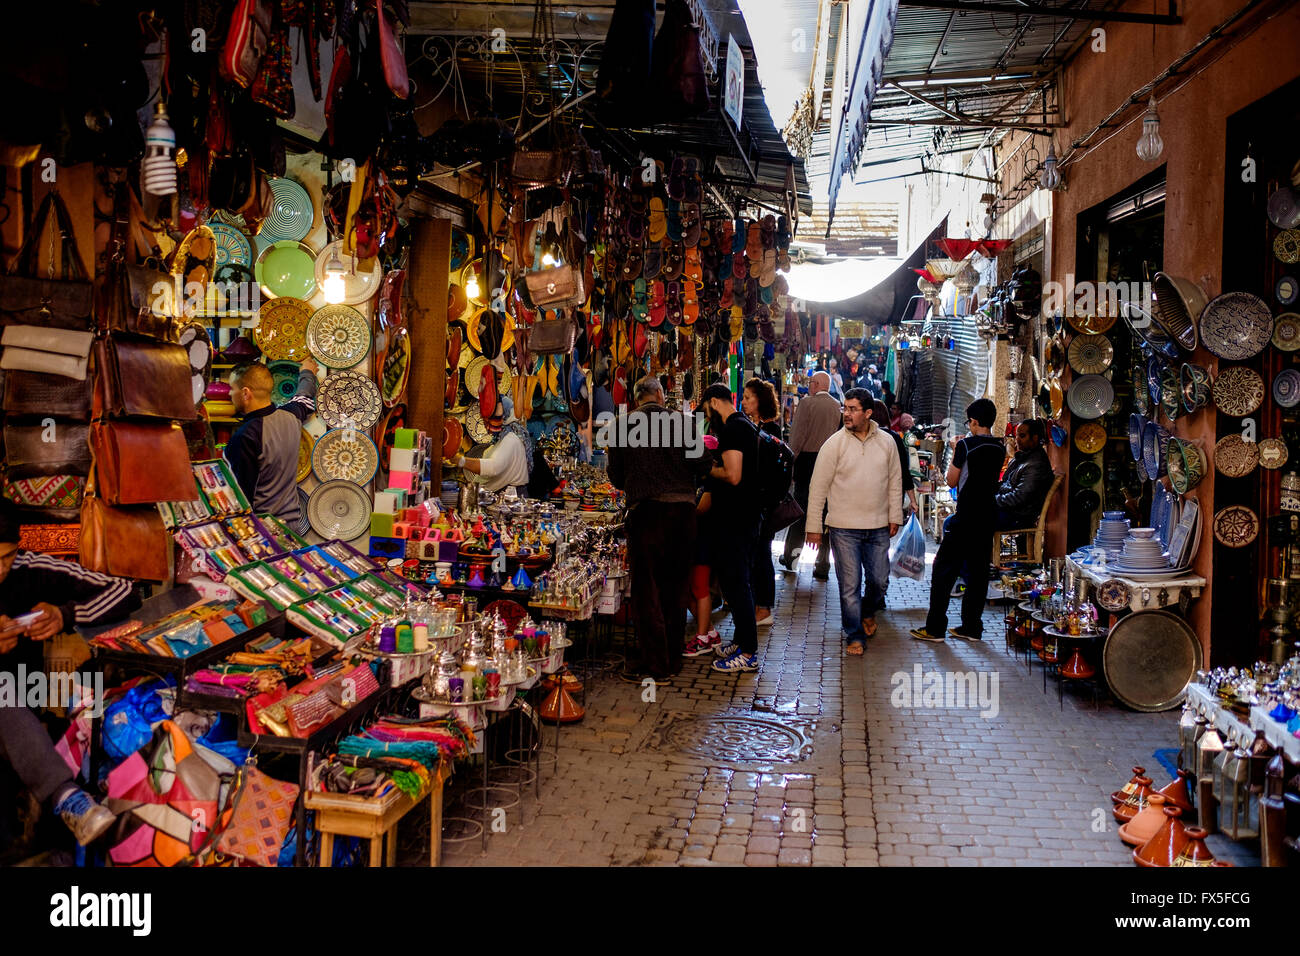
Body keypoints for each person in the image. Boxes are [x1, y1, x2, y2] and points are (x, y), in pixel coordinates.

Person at [0, 499, 137, 850]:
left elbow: (123, 590)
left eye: (6, 557)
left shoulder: (31, 568)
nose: (0, 569)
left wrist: (66, 614)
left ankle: (73, 805)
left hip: (21, 705)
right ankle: (67, 798)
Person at [607, 376, 708, 680]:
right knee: (675, 588)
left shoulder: (622, 426)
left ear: (638, 399)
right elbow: (703, 466)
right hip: (682, 514)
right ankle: (672, 659)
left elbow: (615, 476)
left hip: (646, 514)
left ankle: (655, 665)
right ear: (661, 396)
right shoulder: (684, 423)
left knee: (646, 591)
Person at [804, 389, 902, 655]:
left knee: (880, 581)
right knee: (849, 587)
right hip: (843, 528)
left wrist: (895, 516)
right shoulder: (834, 444)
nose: (846, 414)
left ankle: (867, 612)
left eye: (852, 409)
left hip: (879, 526)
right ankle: (855, 634)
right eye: (844, 408)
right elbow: (818, 488)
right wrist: (813, 528)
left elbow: (895, 481)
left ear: (868, 413)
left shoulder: (887, 442)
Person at [911, 398, 1004, 643]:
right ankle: (972, 627)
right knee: (978, 572)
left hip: (967, 515)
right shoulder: (999, 446)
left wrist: (954, 447)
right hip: (988, 515)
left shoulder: (966, 446)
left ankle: (935, 628)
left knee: (943, 570)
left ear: (973, 422)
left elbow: (952, 481)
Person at [700, 383, 762, 673]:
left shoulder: (734, 429)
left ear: (714, 401)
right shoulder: (741, 426)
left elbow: (733, 475)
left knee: (738, 584)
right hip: (741, 519)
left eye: (706, 408)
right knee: (736, 582)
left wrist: (705, 468)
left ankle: (748, 652)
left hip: (738, 521)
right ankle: (740, 641)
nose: (706, 415)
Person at [225, 358, 319, 524]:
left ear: (246, 393)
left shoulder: (245, 436)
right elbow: (305, 397)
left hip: (264, 532)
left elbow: (241, 499)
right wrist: (307, 372)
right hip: (292, 527)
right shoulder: (291, 416)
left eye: (232, 388)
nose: (229, 394)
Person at [779, 371, 841, 579]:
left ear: (816, 384)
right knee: (825, 513)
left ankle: (791, 557)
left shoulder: (807, 403)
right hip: (830, 462)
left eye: (810, 382)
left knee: (801, 510)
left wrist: (790, 460)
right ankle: (822, 564)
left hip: (807, 462)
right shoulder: (836, 406)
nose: (809, 385)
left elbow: (798, 436)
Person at [742, 378, 782, 628]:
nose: (744, 402)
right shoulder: (752, 425)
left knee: (762, 554)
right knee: (756, 554)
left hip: (764, 503)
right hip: (756, 501)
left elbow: (767, 470)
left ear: (760, 401)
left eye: (748, 397)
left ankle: (764, 608)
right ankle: (758, 604)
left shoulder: (770, 430)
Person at [458, 397, 534, 495]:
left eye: (490, 419)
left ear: (504, 417)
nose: (485, 424)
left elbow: (493, 468)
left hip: (509, 499)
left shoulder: (511, 439)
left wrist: (460, 461)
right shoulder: (503, 438)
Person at [995, 419, 1053, 530]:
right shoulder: (1022, 457)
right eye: (1016, 435)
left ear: (1035, 438)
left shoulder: (1036, 464)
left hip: (1018, 517)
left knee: (965, 520)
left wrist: (992, 501)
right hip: (1008, 511)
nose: (1017, 439)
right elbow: (1005, 483)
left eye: (1022, 436)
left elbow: (1019, 497)